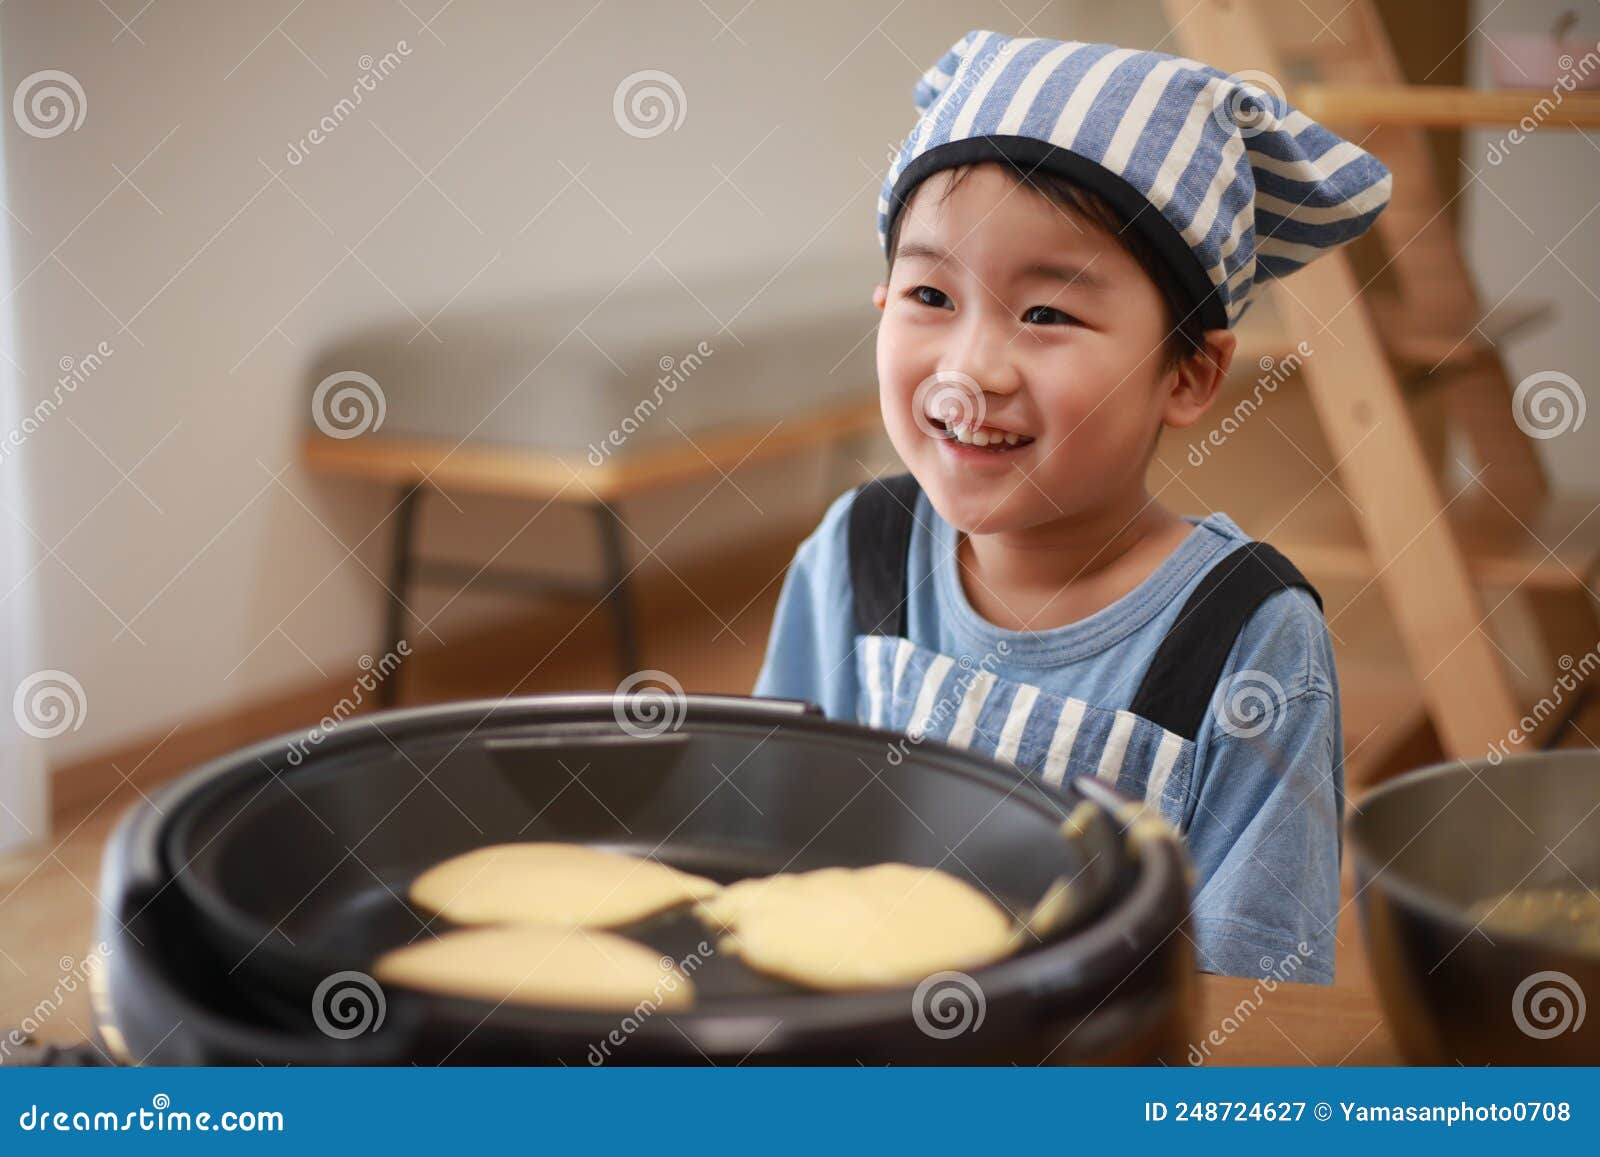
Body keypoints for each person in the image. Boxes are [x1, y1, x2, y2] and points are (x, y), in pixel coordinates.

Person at [754, 30, 1393, 984]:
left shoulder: (1244, 640)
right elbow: (763, 847)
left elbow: (1247, 998)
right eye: (931, 293)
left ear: (1190, 372)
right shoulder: (857, 554)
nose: (970, 370)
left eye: (1047, 313)